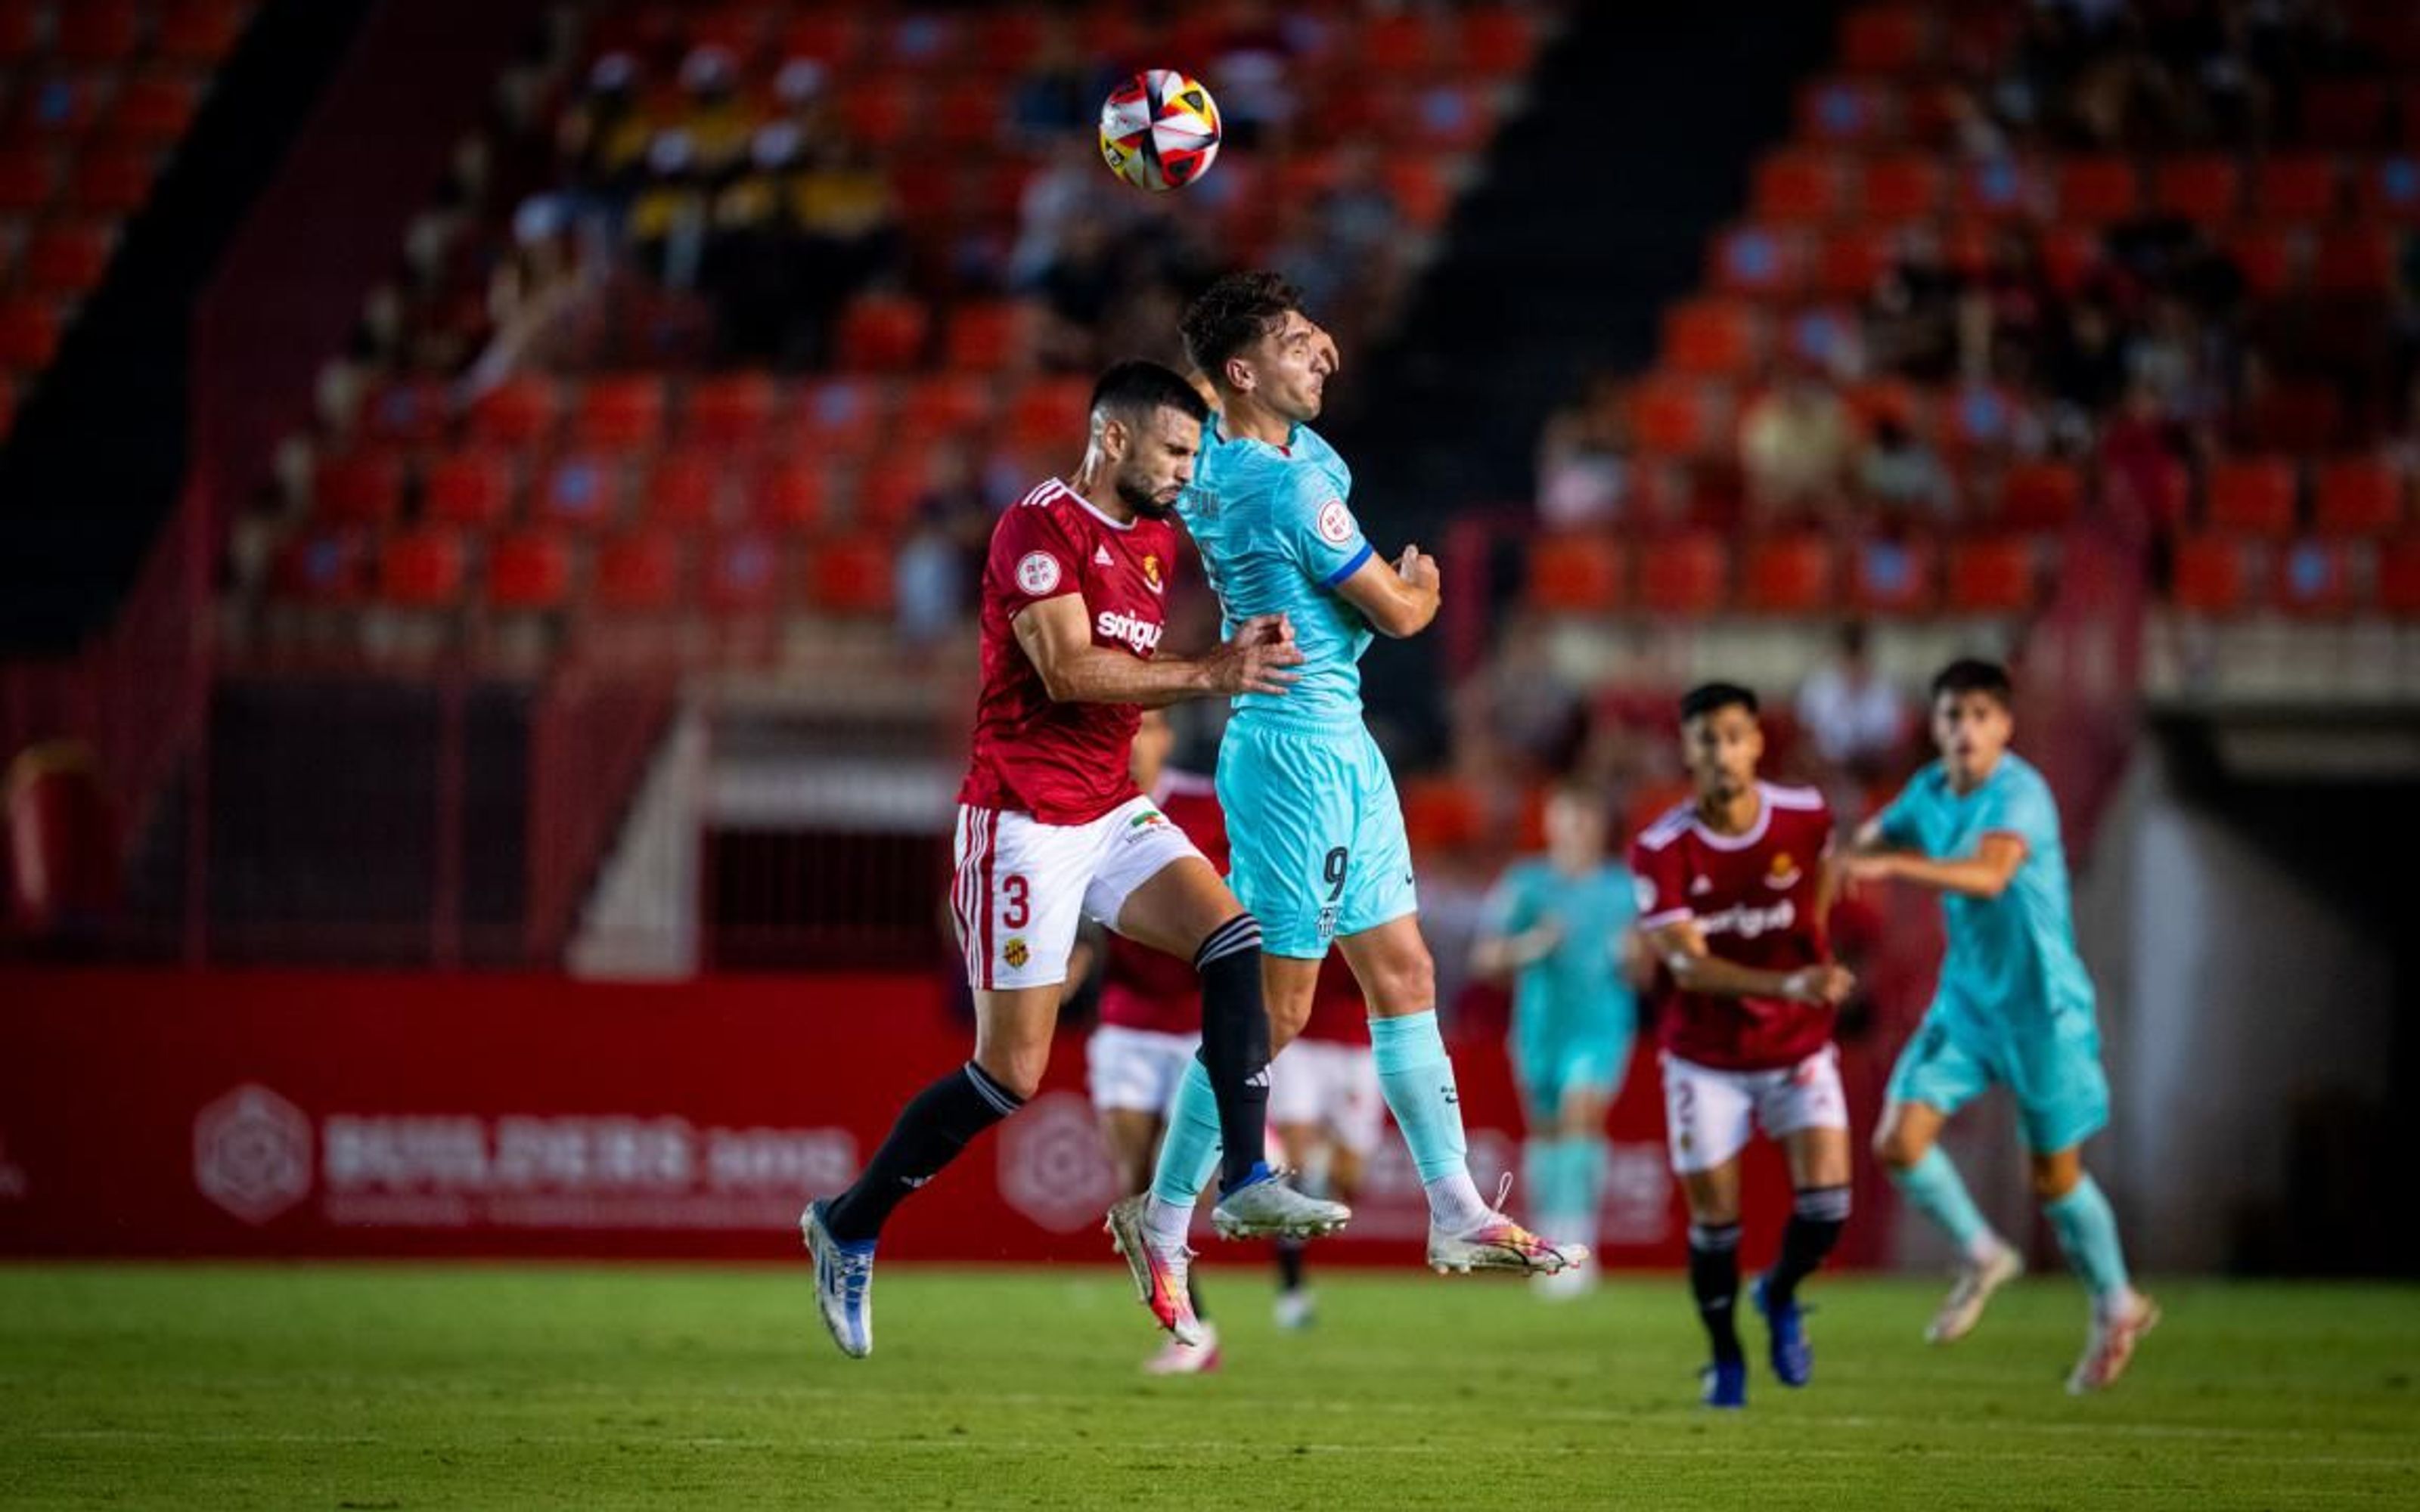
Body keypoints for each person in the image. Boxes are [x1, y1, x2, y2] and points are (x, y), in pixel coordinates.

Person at [803, 361, 1348, 1360]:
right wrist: (1211, 670)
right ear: (1113, 441)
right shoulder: (1036, 528)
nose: (1188, 471)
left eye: (1194, 452)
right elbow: (1065, 671)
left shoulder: (1151, 537)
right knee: (1009, 1074)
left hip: (1106, 810)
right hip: (1021, 821)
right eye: (1175, 451)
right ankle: (848, 1221)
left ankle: (1243, 1177)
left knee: (1235, 941)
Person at [1108, 271, 1587, 1352]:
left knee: (1405, 973)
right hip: (1294, 758)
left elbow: (1199, 390)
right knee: (1275, 1008)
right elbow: (1405, 612)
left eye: (1319, 331)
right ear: (1243, 374)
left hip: (1343, 744)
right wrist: (1415, 584)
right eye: (1293, 340)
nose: (1322, 348)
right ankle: (1168, 1219)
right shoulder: (1282, 488)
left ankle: (1456, 1208)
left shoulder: (1252, 458)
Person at [1840, 658, 2158, 1395]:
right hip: (1966, 1005)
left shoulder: (2021, 793)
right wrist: (1844, 855)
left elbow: (1985, 876)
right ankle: (1982, 1251)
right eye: (1952, 715)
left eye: (1980, 716)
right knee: (1898, 1139)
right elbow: (1872, 834)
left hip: (2040, 1009)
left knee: (2053, 1177)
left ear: (2004, 726)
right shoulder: (1926, 790)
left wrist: (1892, 866)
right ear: (1934, 724)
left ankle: (2115, 1301)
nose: (1965, 730)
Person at [1629, 683, 1857, 1409]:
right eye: (1706, 737)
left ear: (1757, 742)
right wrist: (1791, 982)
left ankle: (1780, 1290)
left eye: (1734, 735)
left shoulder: (1807, 817)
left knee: (1828, 1208)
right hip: (1706, 1058)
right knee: (1716, 1225)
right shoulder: (1660, 847)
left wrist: (1811, 955)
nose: (1721, 750)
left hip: (1795, 1049)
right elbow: (1687, 964)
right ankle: (1726, 1359)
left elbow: (1822, 886)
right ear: (1687, 749)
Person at [1081, 709, 1230, 1375]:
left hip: (1202, 1018)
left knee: (1181, 1190)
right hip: (1127, 1015)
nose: (1134, 740)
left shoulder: (1208, 805)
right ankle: (1188, 1329)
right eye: (1123, 727)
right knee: (1136, 1180)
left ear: (1166, 738)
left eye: (1146, 727)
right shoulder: (1083, 810)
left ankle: (1253, 1147)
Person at [1472, 782, 1646, 1299]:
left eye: (1584, 822)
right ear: (1550, 827)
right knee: (1547, 1132)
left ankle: (1579, 1245)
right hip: (1541, 1027)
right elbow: (1486, 959)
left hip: (1601, 1025)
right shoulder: (1526, 884)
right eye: (1565, 821)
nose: (1574, 833)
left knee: (1580, 1116)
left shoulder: (1624, 889)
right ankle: (1549, 1241)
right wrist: (1533, 945)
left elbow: (1647, 972)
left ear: (1599, 830)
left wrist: (1634, 955)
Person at [1265, 956, 1385, 1330]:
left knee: (1348, 1179)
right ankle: (1292, 1291)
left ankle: (1317, 1172)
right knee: (1292, 1168)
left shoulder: (1379, 897)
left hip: (1359, 1045)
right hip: (1299, 1041)